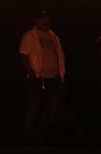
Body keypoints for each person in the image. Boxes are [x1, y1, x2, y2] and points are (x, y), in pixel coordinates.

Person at [20, 10, 75, 145]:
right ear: (36, 20)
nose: (45, 21)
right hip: (37, 78)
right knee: (33, 108)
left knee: (51, 109)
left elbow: (60, 57)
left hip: (54, 79)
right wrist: (33, 74)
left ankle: (43, 138)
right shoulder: (30, 36)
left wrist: (61, 76)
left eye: (47, 19)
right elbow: (23, 56)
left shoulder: (54, 37)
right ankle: (27, 139)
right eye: (42, 19)